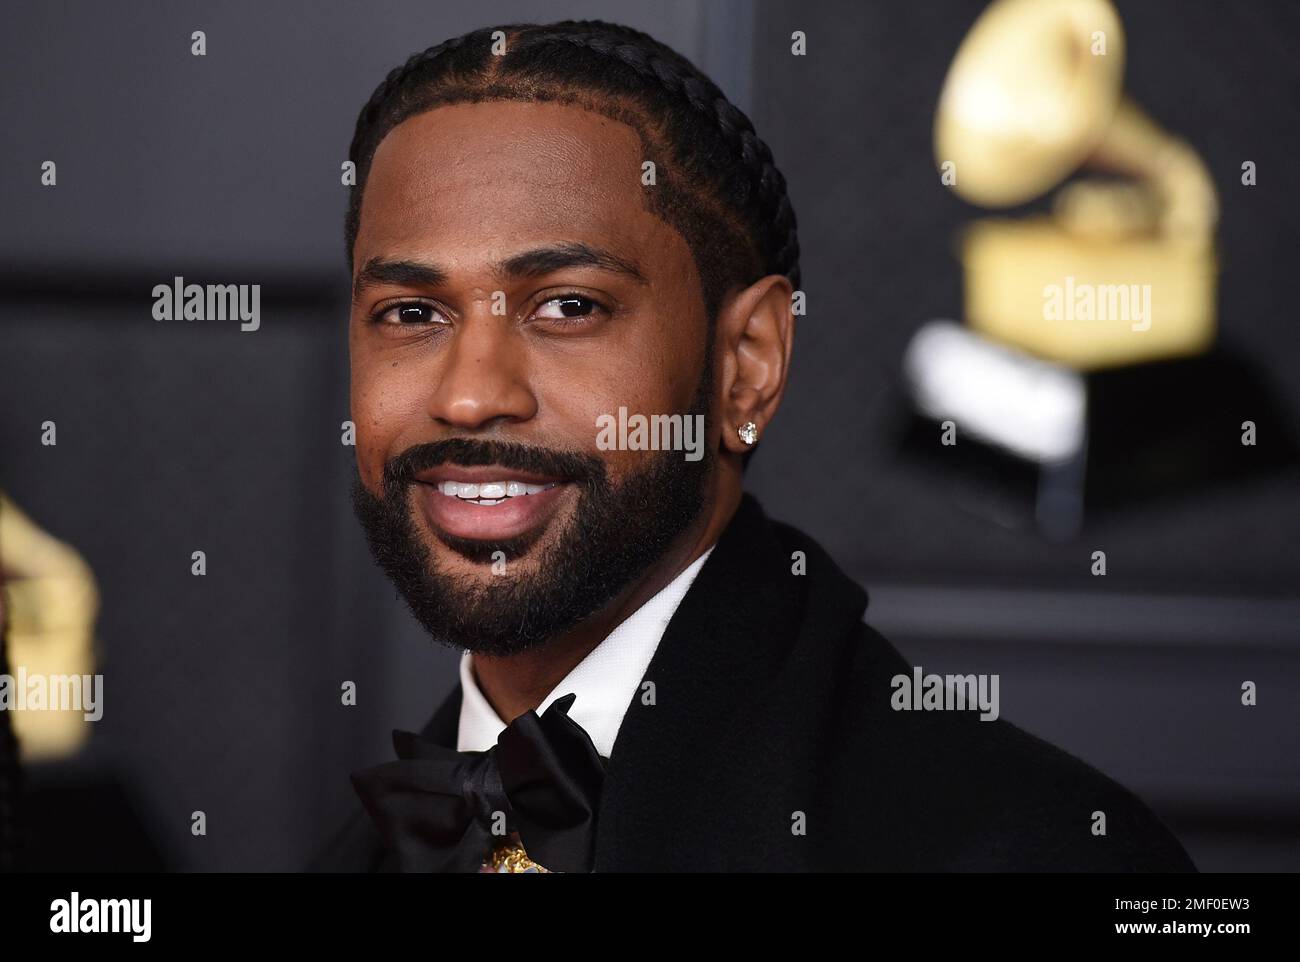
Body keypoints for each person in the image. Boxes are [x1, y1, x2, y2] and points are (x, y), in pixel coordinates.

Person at [313, 19, 1194, 872]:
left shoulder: (1047, 852)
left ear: (747, 366)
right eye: (411, 314)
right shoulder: (363, 851)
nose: (469, 394)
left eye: (568, 306)